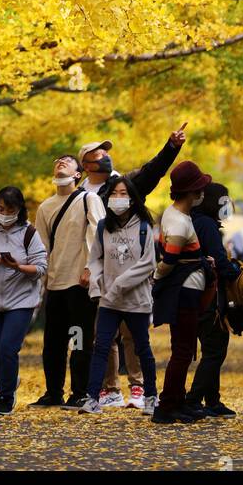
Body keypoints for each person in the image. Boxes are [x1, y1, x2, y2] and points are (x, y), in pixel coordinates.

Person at [79, 121, 187, 409]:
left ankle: (143, 391)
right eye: (98, 154)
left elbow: (153, 171)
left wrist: (171, 147)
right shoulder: (80, 196)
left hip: (134, 296)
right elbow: (93, 251)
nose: (104, 156)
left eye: (106, 152)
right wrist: (95, 281)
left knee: (138, 343)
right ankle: (101, 392)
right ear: (86, 164)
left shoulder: (126, 189)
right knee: (101, 344)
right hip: (105, 292)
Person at [80, 176, 159, 415]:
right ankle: (92, 398)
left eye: (124, 194)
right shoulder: (104, 226)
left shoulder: (144, 226)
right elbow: (95, 259)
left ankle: (151, 396)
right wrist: (97, 286)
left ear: (133, 199)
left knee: (141, 348)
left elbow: (148, 263)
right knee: (101, 346)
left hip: (136, 301)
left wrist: (119, 285)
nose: (119, 198)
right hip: (109, 301)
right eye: (115, 194)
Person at [32, 154, 104, 409]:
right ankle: (53, 392)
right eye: (57, 161)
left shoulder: (88, 199)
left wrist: (90, 268)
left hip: (80, 282)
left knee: (80, 339)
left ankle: (80, 392)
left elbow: (97, 234)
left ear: (78, 174)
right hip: (55, 282)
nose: (60, 162)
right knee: (53, 342)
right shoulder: (45, 207)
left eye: (67, 161)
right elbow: (42, 246)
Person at [152, 159, 216, 425]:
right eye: (199, 188)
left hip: (186, 289)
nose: (202, 193)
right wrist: (156, 276)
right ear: (190, 193)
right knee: (183, 350)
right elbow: (169, 261)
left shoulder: (174, 215)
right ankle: (167, 406)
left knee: (183, 348)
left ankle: (176, 401)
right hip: (185, 292)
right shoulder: (179, 222)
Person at [0, 185, 47, 414]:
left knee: (7, 348)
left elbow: (41, 268)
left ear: (19, 210)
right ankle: (10, 380)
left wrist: (18, 267)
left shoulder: (29, 233)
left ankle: (5, 396)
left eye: (10, 209)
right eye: (1, 208)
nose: (4, 213)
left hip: (21, 301)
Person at [184, 181, 241, 418]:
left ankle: (213, 400)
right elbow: (218, 260)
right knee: (215, 349)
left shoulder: (196, 220)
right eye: (224, 201)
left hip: (196, 295)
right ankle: (194, 399)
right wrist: (237, 271)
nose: (227, 206)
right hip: (207, 296)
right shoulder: (206, 225)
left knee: (211, 347)